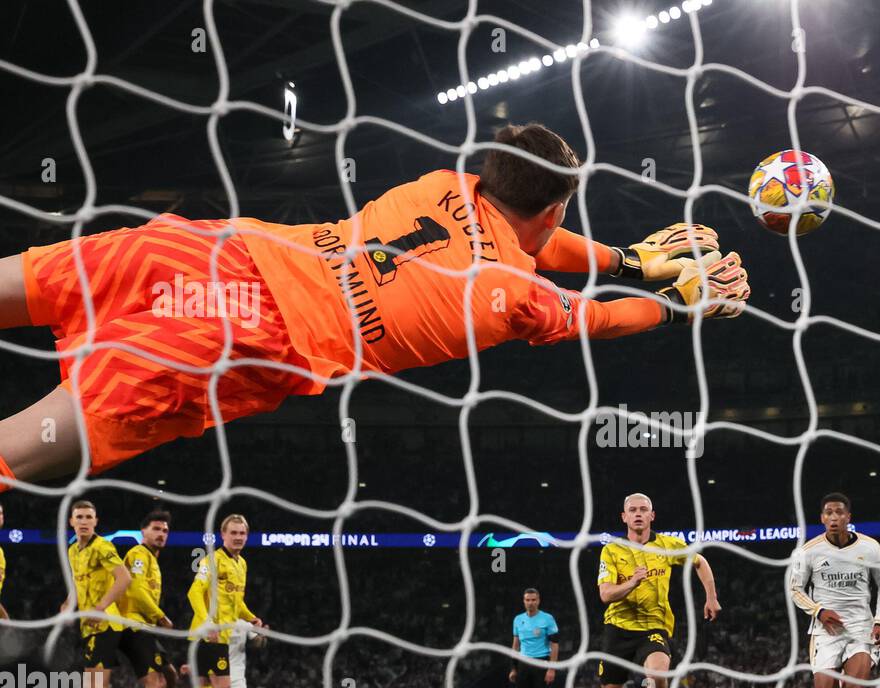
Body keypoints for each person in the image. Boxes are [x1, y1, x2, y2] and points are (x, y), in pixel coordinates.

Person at [0, 123, 749, 484]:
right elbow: (593, 315)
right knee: (18, 449)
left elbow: (534, 238)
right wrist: (680, 306)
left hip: (221, 249)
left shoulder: (444, 184)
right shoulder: (508, 297)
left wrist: (632, 259)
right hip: (243, 333)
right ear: (554, 210)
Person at [594, 492, 720, 688]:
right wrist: (632, 583)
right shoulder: (611, 550)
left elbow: (700, 562)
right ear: (624, 517)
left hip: (654, 626)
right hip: (617, 628)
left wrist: (711, 597)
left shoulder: (667, 545)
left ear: (652, 516)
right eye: (632, 510)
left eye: (643, 509)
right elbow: (605, 594)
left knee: (659, 671)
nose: (638, 514)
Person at [788, 492, 880, 688]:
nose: (834, 518)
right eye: (828, 513)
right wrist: (819, 611)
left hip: (861, 628)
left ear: (849, 517)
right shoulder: (808, 551)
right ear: (822, 518)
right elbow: (795, 589)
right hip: (826, 631)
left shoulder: (870, 549)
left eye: (839, 513)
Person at [184, 514, 264, 688]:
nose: (238, 537)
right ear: (223, 535)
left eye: (242, 533)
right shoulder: (212, 560)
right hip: (209, 633)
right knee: (223, 686)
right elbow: (194, 591)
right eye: (234, 533)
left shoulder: (241, 564)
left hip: (220, 633)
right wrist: (208, 622)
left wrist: (252, 618)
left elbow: (236, 601)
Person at [60, 501, 132, 688]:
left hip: (106, 623)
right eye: (79, 517)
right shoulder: (72, 550)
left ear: (96, 521)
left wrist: (100, 607)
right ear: (71, 522)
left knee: (96, 686)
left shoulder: (103, 547)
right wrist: (69, 604)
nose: (84, 521)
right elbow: (77, 585)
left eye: (88, 517)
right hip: (89, 626)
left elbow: (124, 578)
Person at [117, 509, 179, 688]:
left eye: (165, 530)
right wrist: (160, 615)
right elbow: (135, 590)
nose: (161, 533)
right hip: (133, 625)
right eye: (156, 528)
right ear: (143, 531)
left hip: (143, 626)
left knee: (171, 677)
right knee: (156, 683)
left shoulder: (152, 559)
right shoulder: (139, 554)